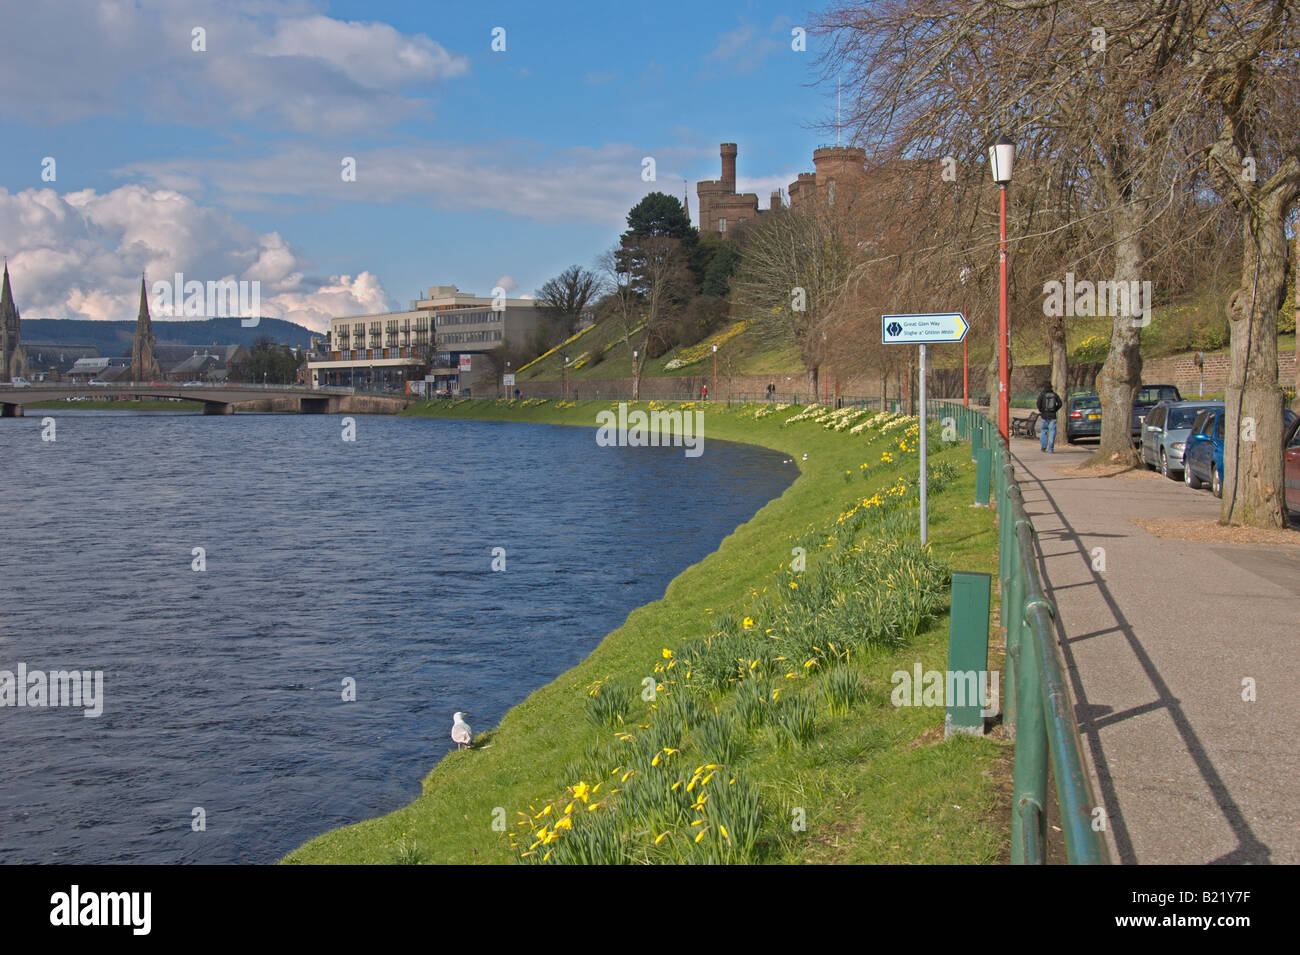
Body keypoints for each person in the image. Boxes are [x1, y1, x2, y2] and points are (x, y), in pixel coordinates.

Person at [1036, 383, 1063, 452]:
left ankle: (1043, 447)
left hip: (1044, 416)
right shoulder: (1054, 395)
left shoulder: (1042, 394)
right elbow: (1060, 403)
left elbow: (1038, 404)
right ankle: (1051, 449)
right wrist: (1055, 409)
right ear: (1051, 387)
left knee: (1043, 431)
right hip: (1053, 415)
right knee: (1052, 432)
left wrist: (1041, 410)